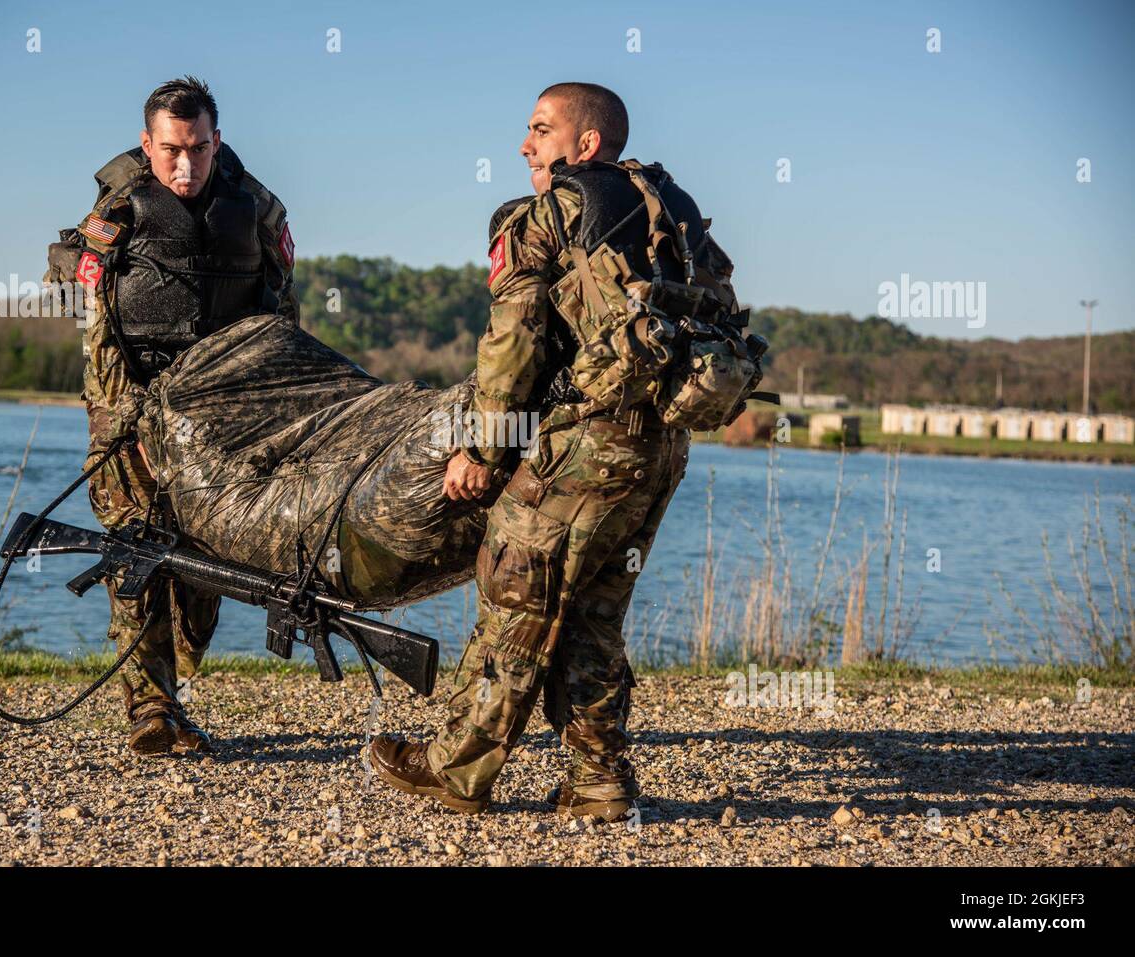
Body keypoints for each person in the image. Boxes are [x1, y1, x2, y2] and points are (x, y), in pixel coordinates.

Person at [370, 82, 751, 821]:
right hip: (663, 447)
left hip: (589, 440)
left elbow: (511, 341)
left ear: (586, 146)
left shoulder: (550, 214)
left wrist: (483, 447)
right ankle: (598, 779)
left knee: (515, 583)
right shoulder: (674, 211)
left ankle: (454, 768)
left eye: (541, 130)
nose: (525, 144)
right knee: (591, 613)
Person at [45, 76, 297, 754]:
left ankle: (174, 685)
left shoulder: (256, 206)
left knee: (208, 565)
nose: (185, 167)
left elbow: (282, 307)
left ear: (217, 140)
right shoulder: (122, 200)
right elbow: (62, 267)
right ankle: (149, 711)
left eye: (199, 148)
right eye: (170, 150)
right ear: (146, 143)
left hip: (219, 412)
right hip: (128, 406)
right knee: (138, 553)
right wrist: (86, 266)